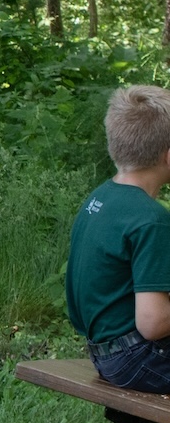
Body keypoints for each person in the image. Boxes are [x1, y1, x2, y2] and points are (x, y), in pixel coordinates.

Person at [65, 85, 170, 392]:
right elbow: (152, 324)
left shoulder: (100, 199)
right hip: (138, 358)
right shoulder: (150, 219)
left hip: (105, 353)